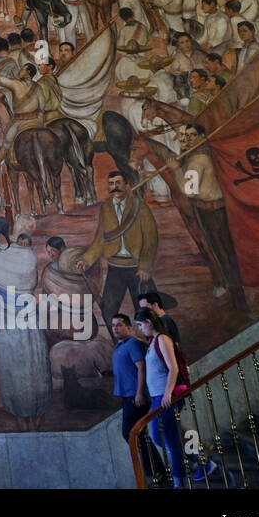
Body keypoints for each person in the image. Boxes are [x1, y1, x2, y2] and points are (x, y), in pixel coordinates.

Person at [0, 216, 52, 430]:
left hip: (4, 318)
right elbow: (32, 283)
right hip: (29, 316)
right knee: (35, 365)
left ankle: (21, 418)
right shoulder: (26, 254)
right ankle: (36, 418)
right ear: (8, 230)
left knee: (12, 367)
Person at [176, 123, 249, 313]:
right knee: (225, 254)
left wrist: (176, 170)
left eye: (192, 136)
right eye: (186, 135)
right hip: (214, 209)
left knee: (224, 255)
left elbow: (189, 191)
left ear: (201, 136)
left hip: (210, 212)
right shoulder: (204, 152)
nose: (188, 139)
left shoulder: (197, 160)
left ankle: (239, 300)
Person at [76, 171, 160, 327]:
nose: (115, 187)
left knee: (145, 314)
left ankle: (148, 347)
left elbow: (151, 238)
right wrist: (86, 260)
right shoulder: (106, 208)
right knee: (108, 310)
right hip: (115, 267)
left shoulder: (139, 206)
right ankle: (120, 343)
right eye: (111, 184)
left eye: (118, 183)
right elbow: (101, 239)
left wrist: (146, 266)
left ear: (126, 185)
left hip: (137, 269)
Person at [134, 308, 190, 487]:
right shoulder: (152, 342)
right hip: (157, 396)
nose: (141, 329)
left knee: (170, 440)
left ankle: (179, 481)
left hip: (165, 396)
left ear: (149, 322)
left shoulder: (163, 339)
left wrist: (167, 393)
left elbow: (173, 367)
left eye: (141, 325)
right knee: (159, 437)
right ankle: (191, 458)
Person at [111, 313, 165, 483]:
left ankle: (156, 470)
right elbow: (124, 369)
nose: (115, 328)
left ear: (128, 327)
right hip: (127, 396)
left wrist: (140, 392)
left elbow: (141, 368)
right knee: (139, 436)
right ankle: (156, 472)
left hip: (135, 397)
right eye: (113, 325)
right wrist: (106, 373)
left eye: (119, 325)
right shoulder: (120, 346)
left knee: (131, 433)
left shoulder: (132, 343)